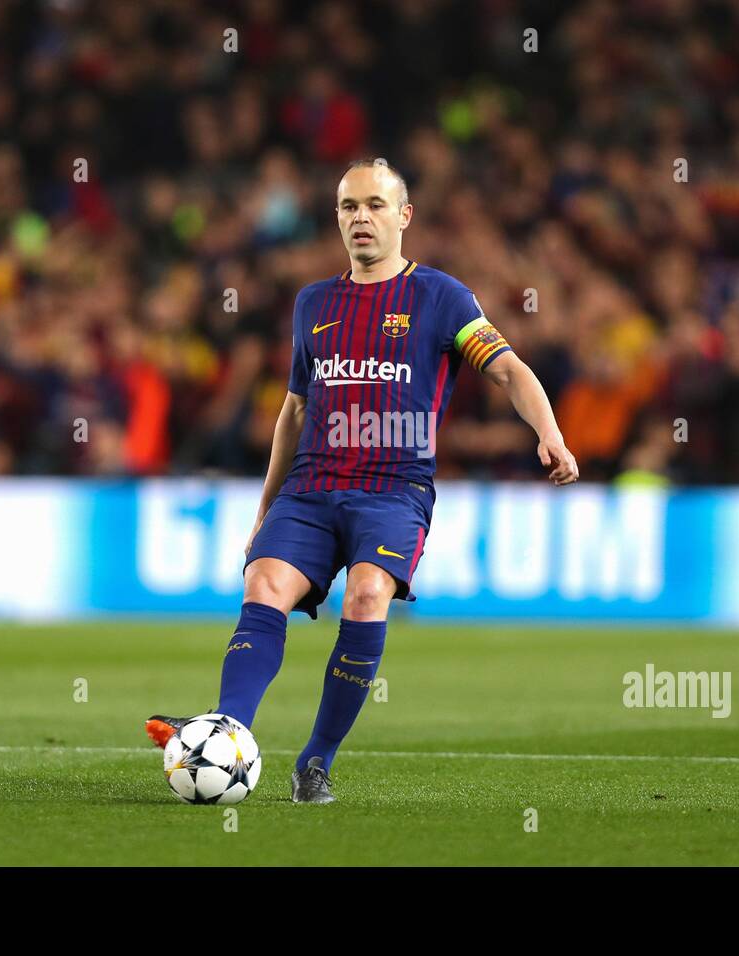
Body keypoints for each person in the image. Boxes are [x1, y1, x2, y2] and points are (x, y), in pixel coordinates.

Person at [145, 158, 579, 802]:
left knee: (369, 595)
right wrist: (265, 510)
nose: (361, 219)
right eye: (349, 207)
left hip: (394, 489)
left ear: (404, 216)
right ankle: (227, 729)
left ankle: (314, 761)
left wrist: (549, 432)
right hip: (312, 488)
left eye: (375, 205)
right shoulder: (313, 303)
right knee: (263, 582)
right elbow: (293, 411)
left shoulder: (441, 296)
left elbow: (509, 370)